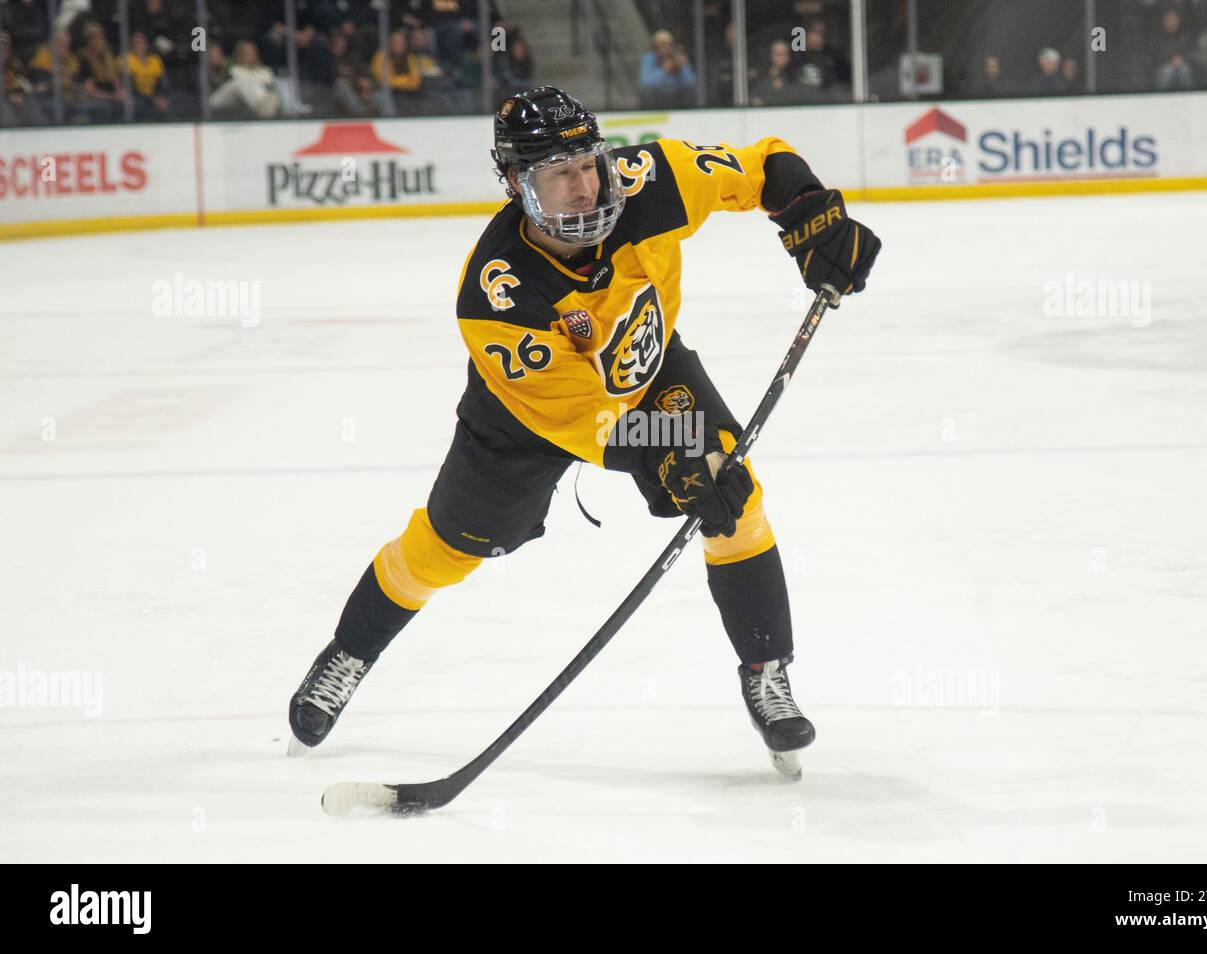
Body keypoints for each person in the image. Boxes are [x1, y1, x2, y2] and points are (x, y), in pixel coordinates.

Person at [287, 86, 881, 776]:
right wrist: (671, 459)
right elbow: (591, 422)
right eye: (555, 174)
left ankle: (767, 669)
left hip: (648, 368)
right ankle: (351, 650)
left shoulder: (649, 181)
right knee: (450, 547)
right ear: (515, 183)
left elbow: (765, 165)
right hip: (522, 421)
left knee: (732, 498)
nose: (583, 188)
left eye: (589, 165)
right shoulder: (497, 295)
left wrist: (813, 218)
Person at [638, 29, 696, 108]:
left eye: (667, 45)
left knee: (690, 91)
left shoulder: (677, 57)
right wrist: (664, 71)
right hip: (657, 96)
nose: (664, 48)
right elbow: (645, 82)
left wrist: (682, 68)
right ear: (655, 47)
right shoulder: (649, 59)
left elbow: (690, 82)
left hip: (675, 95)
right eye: (661, 45)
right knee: (646, 92)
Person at [1154, 7, 1194, 90]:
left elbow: (1190, 52)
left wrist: (1182, 59)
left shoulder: (1185, 35)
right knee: (1167, 72)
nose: (1172, 22)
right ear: (1164, 21)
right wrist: (1170, 60)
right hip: (1164, 64)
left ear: (1178, 21)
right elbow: (1156, 54)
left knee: (1185, 70)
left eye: (1174, 19)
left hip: (1182, 64)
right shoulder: (1158, 37)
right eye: (1169, 19)